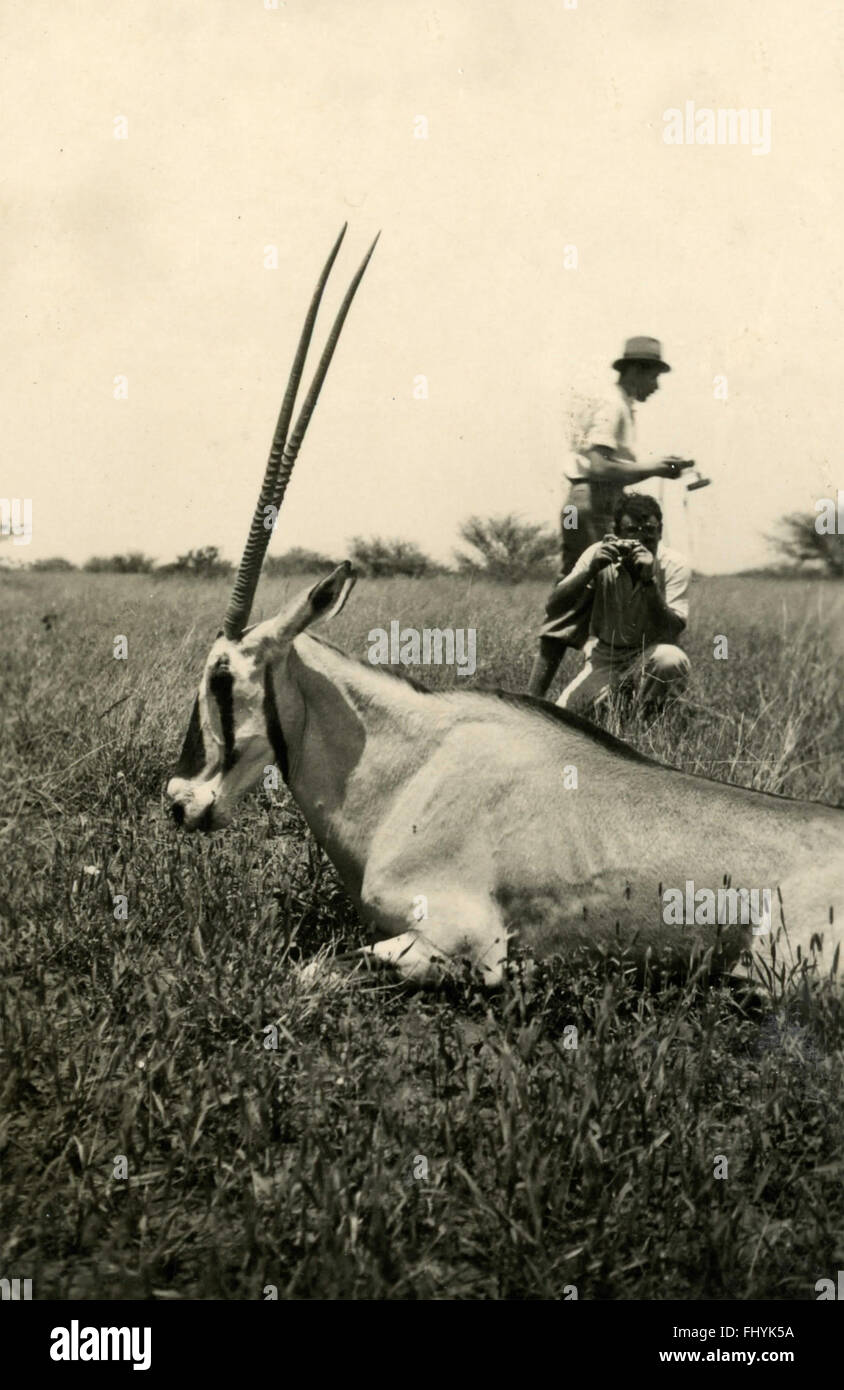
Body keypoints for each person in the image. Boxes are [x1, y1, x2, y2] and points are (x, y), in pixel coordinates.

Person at [528, 336, 693, 697]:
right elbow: (599, 464)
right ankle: (538, 697)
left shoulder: (620, 407)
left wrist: (655, 469)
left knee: (581, 589)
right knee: (590, 586)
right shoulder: (612, 405)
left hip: (584, 501)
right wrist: (656, 467)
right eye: (654, 376)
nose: (656, 386)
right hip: (593, 501)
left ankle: (546, 695)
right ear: (636, 370)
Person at [538, 492, 691, 715]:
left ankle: (650, 722)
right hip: (605, 658)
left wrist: (649, 581)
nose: (641, 541)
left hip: (651, 654)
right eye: (632, 532)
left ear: (660, 532)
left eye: (649, 532)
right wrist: (591, 570)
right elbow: (555, 606)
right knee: (566, 718)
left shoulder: (674, 565)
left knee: (669, 659)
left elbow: (671, 630)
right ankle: (620, 705)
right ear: (616, 533)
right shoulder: (598, 554)